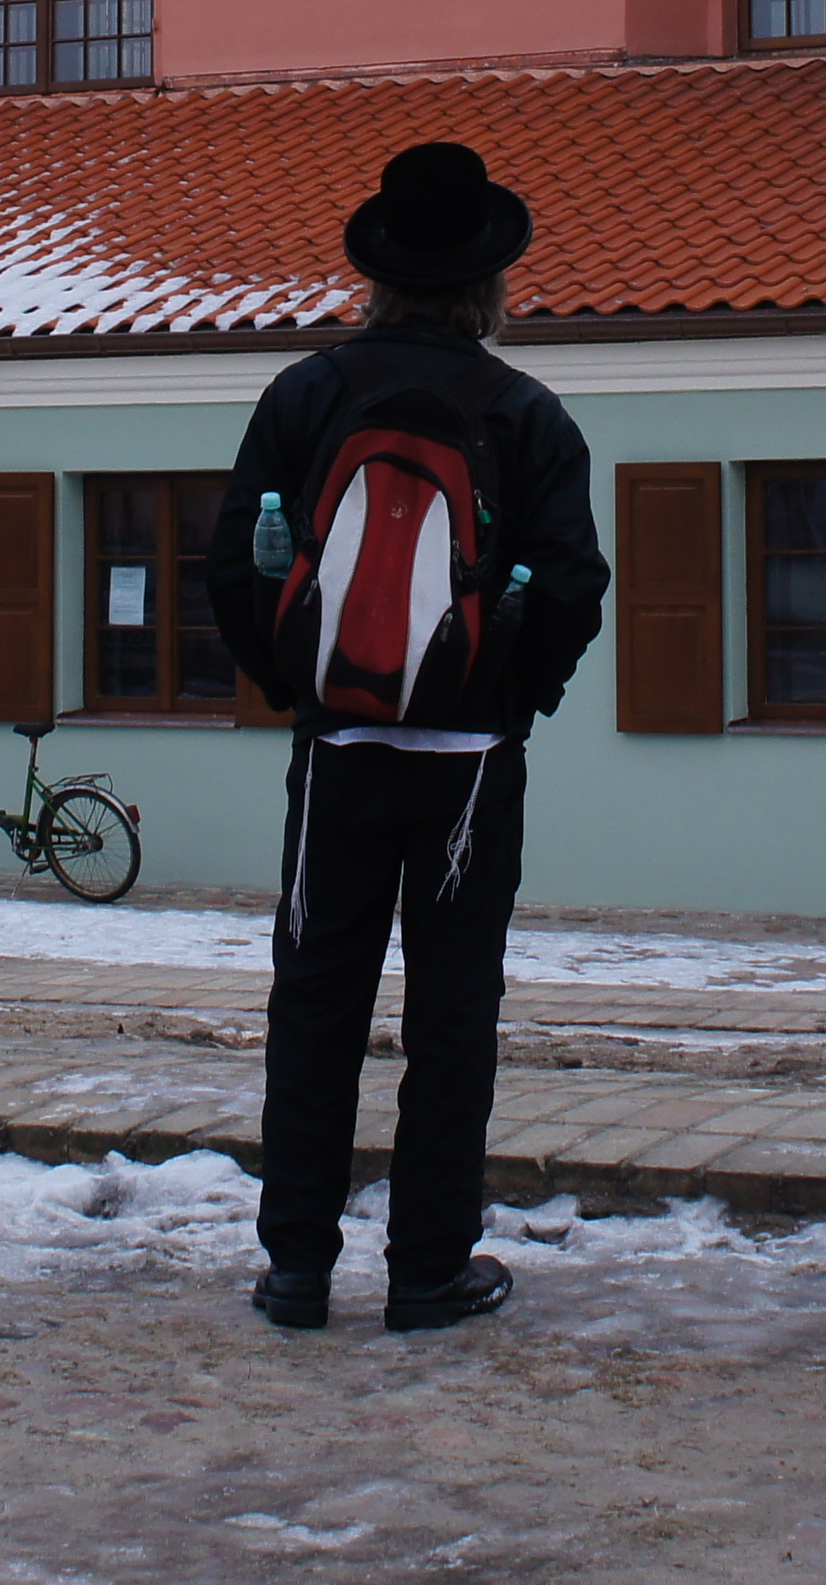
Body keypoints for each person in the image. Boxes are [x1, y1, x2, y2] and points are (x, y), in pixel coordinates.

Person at [208, 141, 608, 1333]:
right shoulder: (526, 413)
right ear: (490, 280)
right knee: (450, 1014)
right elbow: (573, 587)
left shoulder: (305, 395)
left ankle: (296, 1267)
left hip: (336, 757)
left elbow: (230, 567)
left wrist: (302, 686)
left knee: (313, 1002)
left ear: (378, 273)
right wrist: (508, 696)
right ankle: (428, 1268)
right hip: (469, 769)